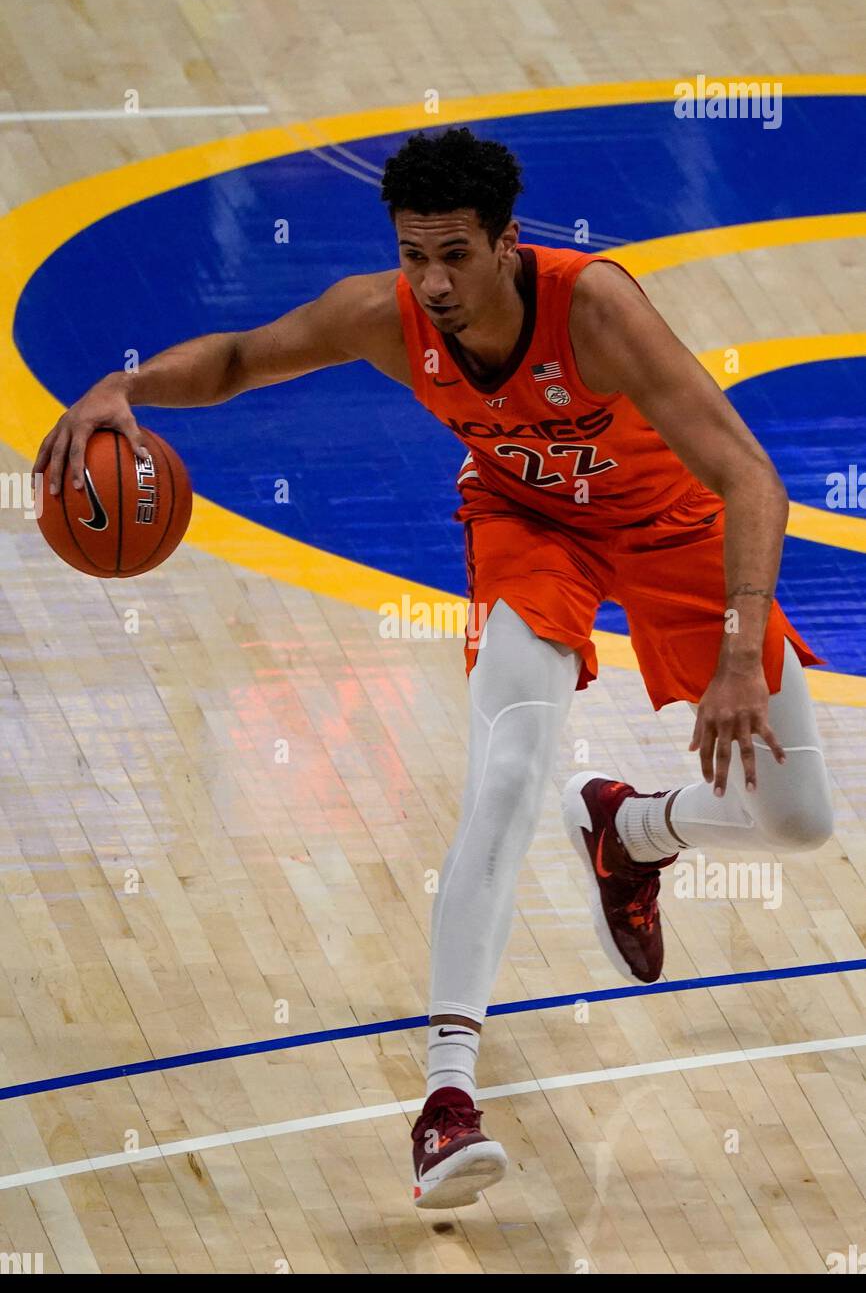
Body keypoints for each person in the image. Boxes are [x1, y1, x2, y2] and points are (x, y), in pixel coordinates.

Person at [33, 127, 833, 1211]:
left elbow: (748, 474)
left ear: (508, 243)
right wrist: (121, 387)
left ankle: (629, 828)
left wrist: (739, 653)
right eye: (414, 255)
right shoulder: (384, 314)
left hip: (674, 524)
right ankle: (446, 1096)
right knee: (504, 773)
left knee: (794, 820)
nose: (433, 281)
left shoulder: (594, 308)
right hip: (527, 523)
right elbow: (236, 357)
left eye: (455, 254)